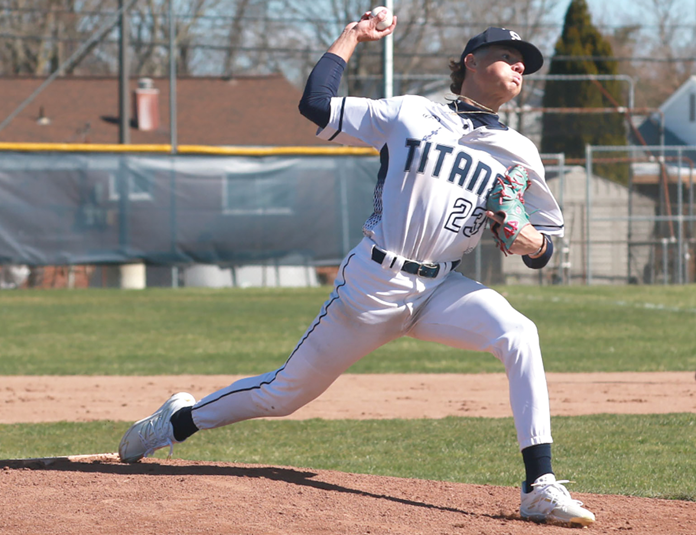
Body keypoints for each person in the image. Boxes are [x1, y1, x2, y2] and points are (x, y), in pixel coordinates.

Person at [118, 11, 595, 528]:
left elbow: (544, 244)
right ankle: (178, 422)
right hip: (373, 282)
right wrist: (354, 37)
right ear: (471, 62)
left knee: (519, 333)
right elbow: (316, 104)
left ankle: (539, 486)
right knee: (281, 396)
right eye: (509, 56)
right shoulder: (409, 113)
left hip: (440, 289)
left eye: (526, 63)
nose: (520, 66)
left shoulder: (519, 151)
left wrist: (532, 243)